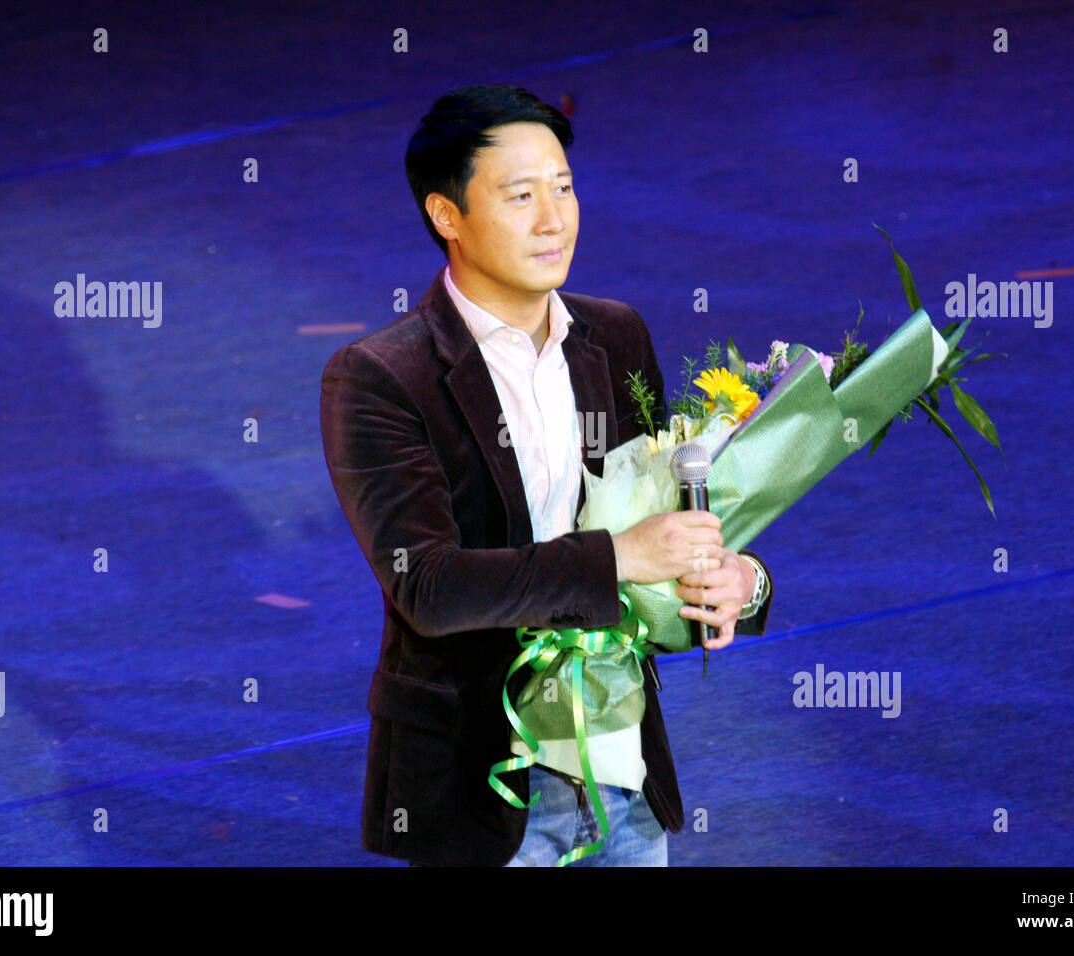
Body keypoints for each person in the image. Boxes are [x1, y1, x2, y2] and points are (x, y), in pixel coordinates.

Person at [319, 84, 774, 867]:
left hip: (622, 772)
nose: (554, 217)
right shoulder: (380, 378)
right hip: (485, 788)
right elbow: (429, 586)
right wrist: (623, 555)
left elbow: (654, 524)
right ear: (446, 215)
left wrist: (738, 581)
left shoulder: (617, 337)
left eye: (563, 188)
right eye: (521, 195)